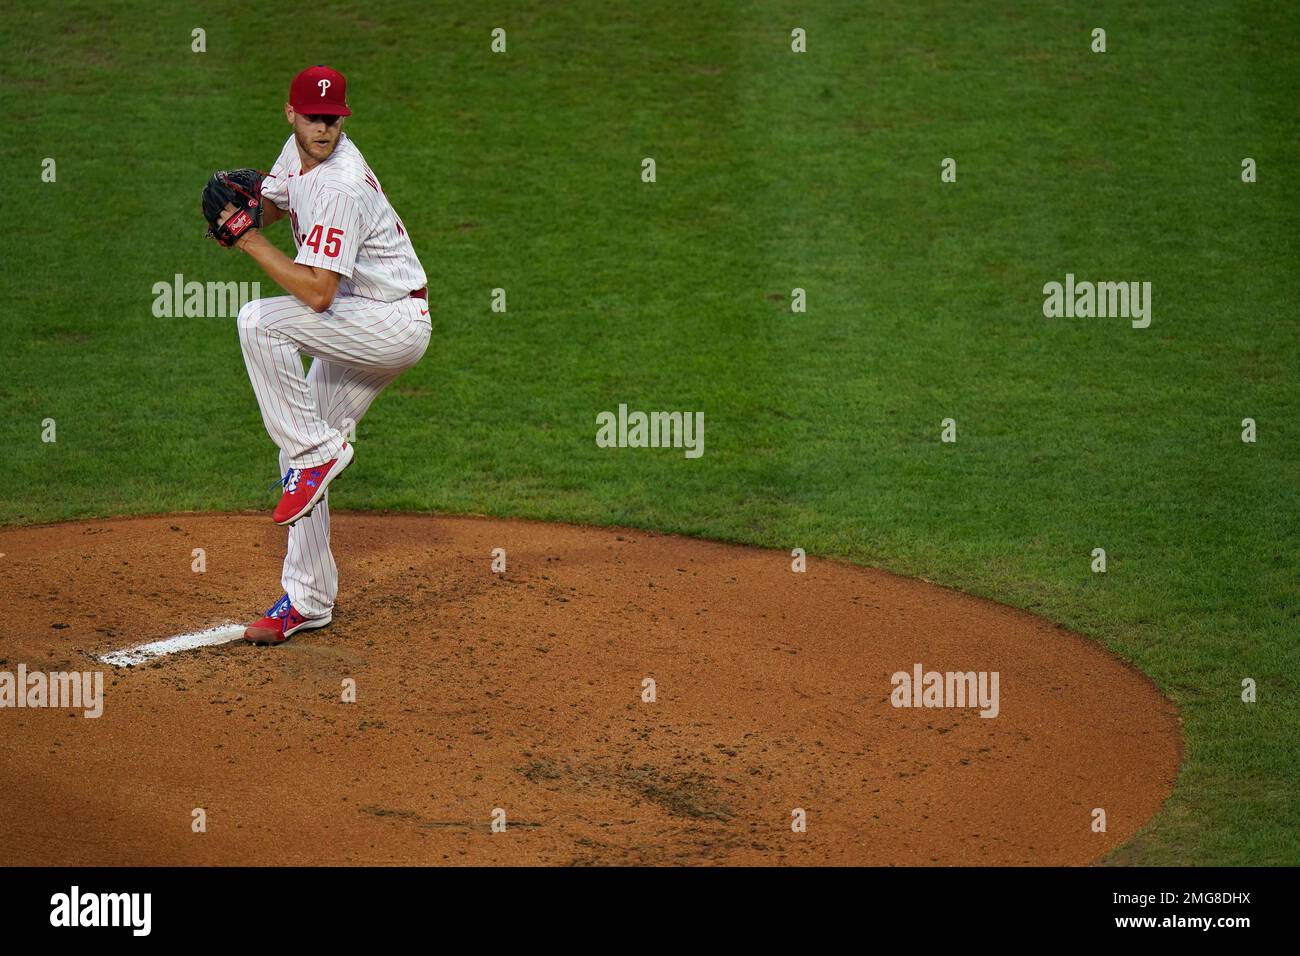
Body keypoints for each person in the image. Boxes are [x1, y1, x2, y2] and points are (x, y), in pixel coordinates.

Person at [217, 64, 431, 645]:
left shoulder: (340, 181)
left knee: (258, 320)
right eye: (314, 117)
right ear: (292, 114)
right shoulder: (296, 153)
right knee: (298, 453)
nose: (324, 128)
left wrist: (248, 239)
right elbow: (284, 199)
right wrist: (249, 207)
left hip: (386, 323)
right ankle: (308, 599)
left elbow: (316, 292)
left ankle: (318, 452)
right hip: (359, 319)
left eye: (333, 119)